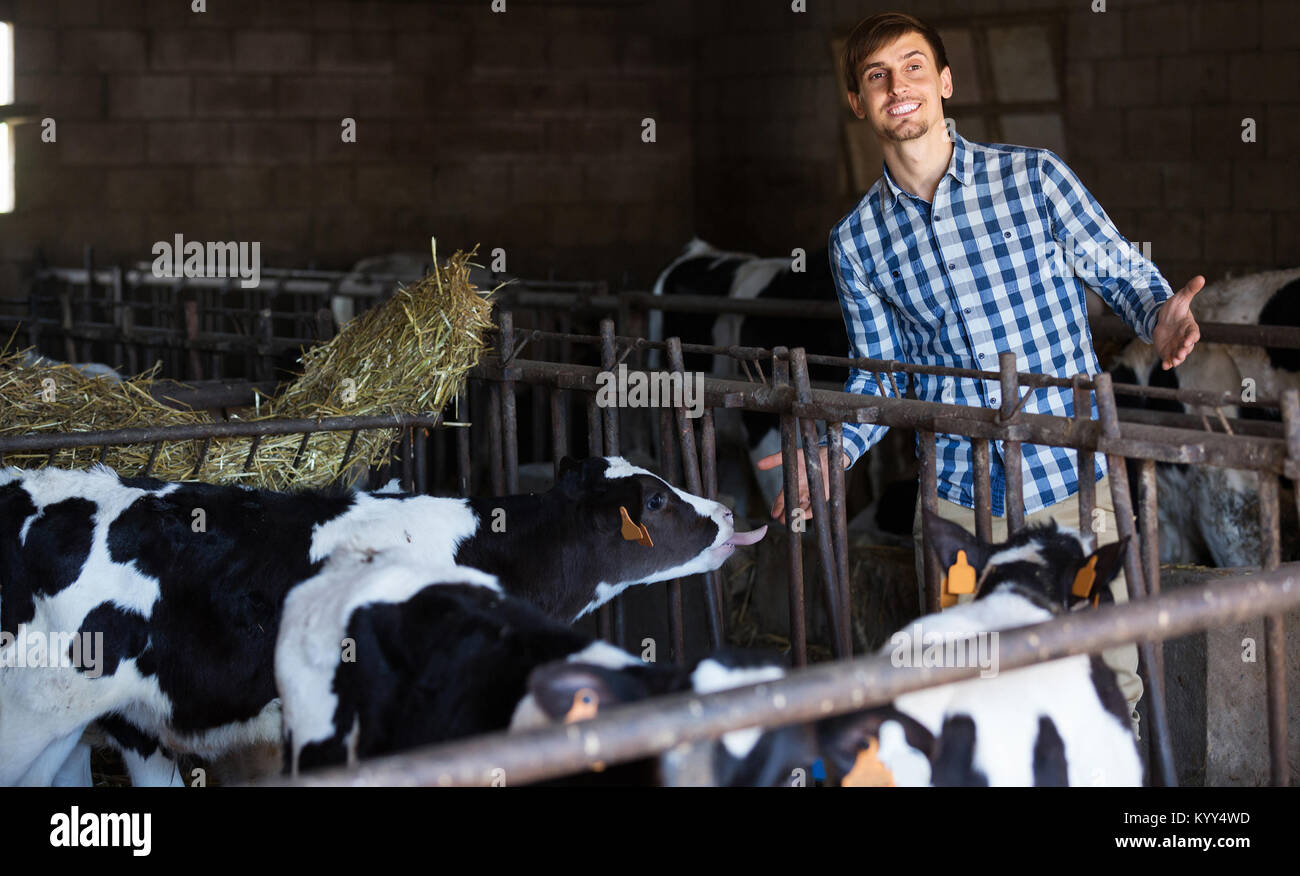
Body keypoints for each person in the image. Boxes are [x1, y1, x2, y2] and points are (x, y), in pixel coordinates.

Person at [757, 11, 1203, 737]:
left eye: (911, 67)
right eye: (875, 77)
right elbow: (882, 377)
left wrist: (1161, 317)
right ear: (857, 103)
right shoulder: (856, 240)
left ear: (944, 82)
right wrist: (833, 454)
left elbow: (1122, 275)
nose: (896, 87)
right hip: (957, 505)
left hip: (1075, 487)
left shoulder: (1034, 177)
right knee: (967, 690)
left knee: (1110, 680)